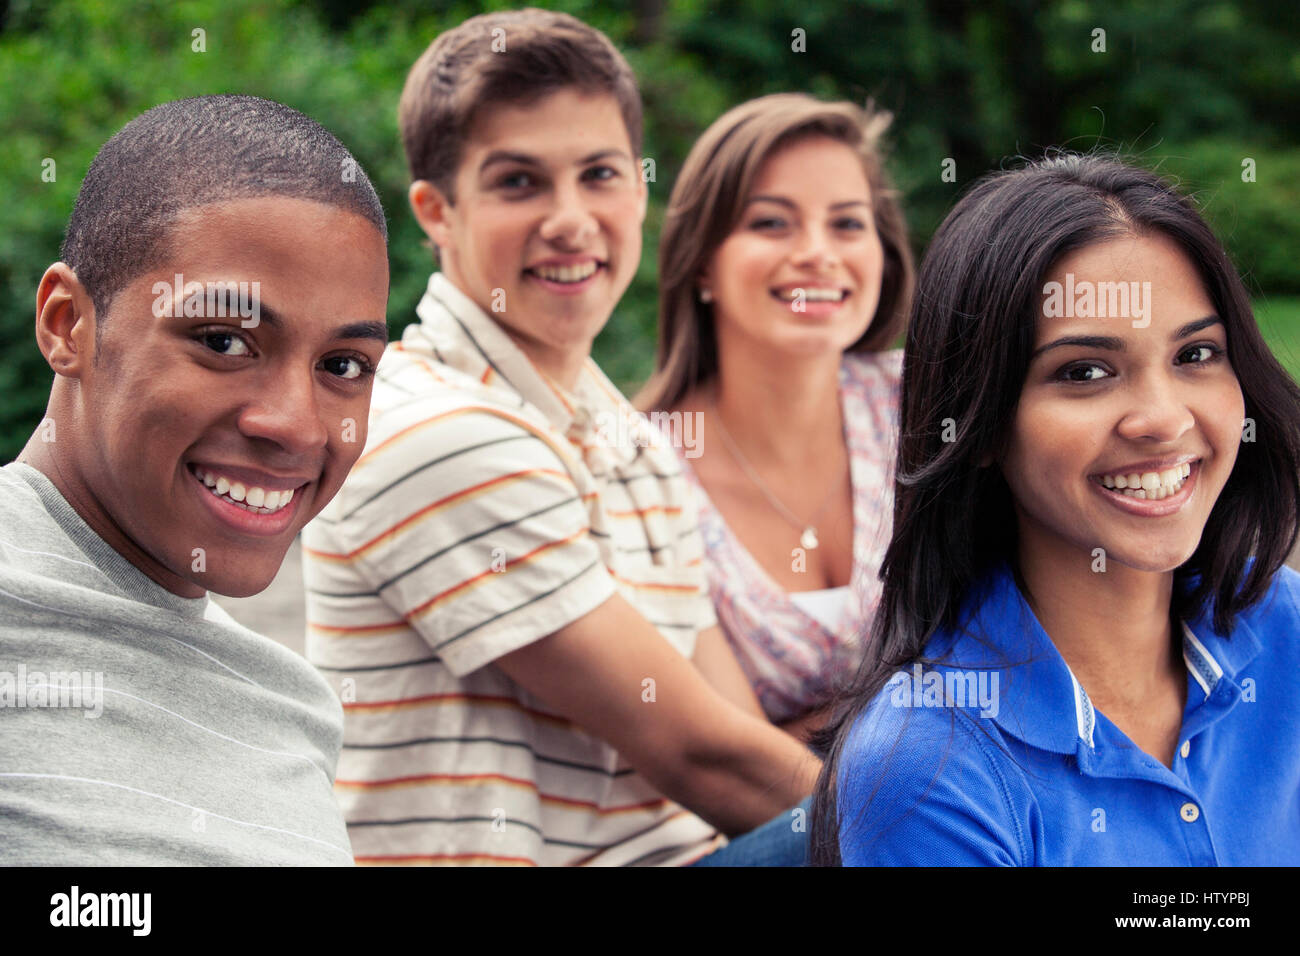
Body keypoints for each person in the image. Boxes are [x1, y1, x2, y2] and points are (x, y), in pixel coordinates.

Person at [301, 8, 817, 867]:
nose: (571, 220)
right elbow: (708, 758)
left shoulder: (630, 437)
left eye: (601, 174)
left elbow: (734, 730)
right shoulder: (434, 426)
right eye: (518, 183)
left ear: (641, 190)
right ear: (436, 210)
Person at [810, 152, 1300, 866]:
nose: (1162, 419)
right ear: (978, 426)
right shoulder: (929, 764)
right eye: (1086, 372)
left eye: (1195, 354)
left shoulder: (1280, 625)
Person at [0, 95, 391, 864]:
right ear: (67, 324)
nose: (296, 424)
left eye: (342, 366)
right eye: (223, 340)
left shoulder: (292, 706)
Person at [636, 94, 914, 739]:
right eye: (771, 223)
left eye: (847, 224)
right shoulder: (639, 469)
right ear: (703, 261)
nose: (818, 252)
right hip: (776, 829)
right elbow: (716, 750)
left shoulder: (927, 405)